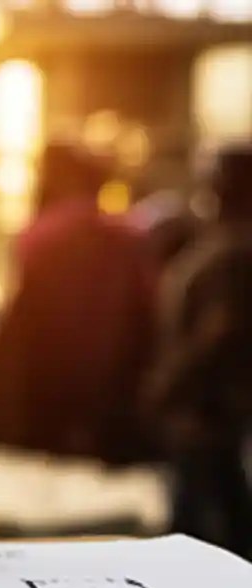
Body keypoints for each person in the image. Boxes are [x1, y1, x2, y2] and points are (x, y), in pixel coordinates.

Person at [0, 141, 158, 466]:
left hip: (53, 393)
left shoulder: (45, 236)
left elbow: (22, 324)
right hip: (115, 398)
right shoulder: (128, 234)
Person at [148, 144, 252, 558]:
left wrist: (169, 386)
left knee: (212, 525)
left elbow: (219, 333)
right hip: (201, 416)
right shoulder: (220, 246)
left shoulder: (234, 255)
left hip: (211, 415)